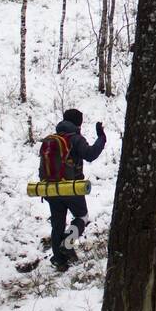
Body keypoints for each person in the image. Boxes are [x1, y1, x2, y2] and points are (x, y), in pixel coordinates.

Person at [46, 108, 106, 271]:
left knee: (57, 224)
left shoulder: (52, 139)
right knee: (82, 216)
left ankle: (59, 261)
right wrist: (101, 138)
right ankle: (67, 242)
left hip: (50, 188)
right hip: (71, 187)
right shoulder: (75, 139)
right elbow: (90, 154)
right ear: (78, 123)